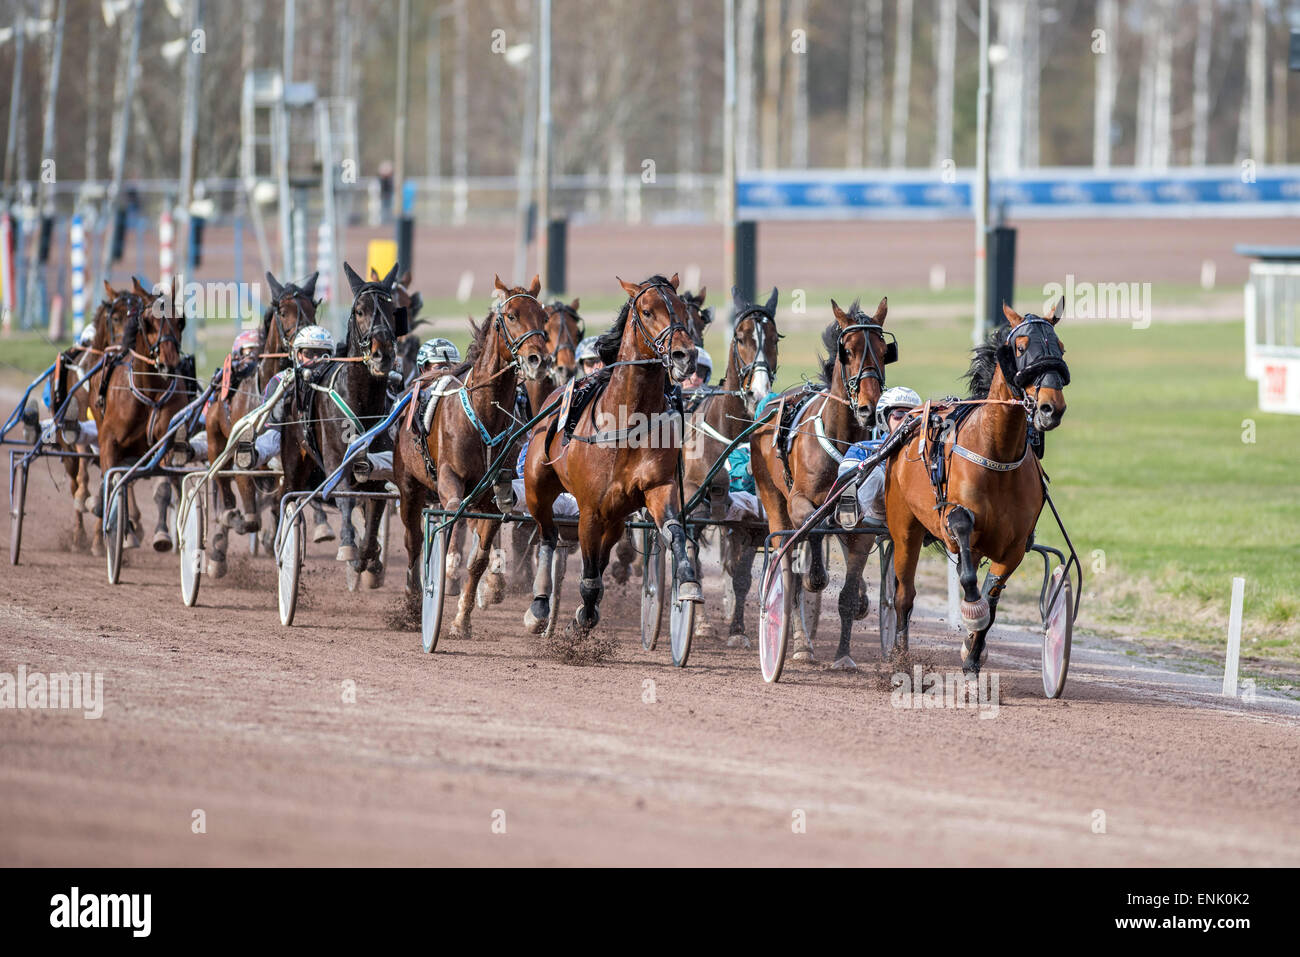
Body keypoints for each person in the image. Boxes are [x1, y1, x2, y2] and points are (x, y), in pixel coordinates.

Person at [835, 385, 921, 528]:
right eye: (899, 415)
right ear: (884, 418)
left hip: (915, 506)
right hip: (881, 503)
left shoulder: (923, 448)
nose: (906, 421)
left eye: (912, 416)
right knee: (874, 473)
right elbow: (846, 470)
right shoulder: (865, 446)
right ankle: (851, 511)